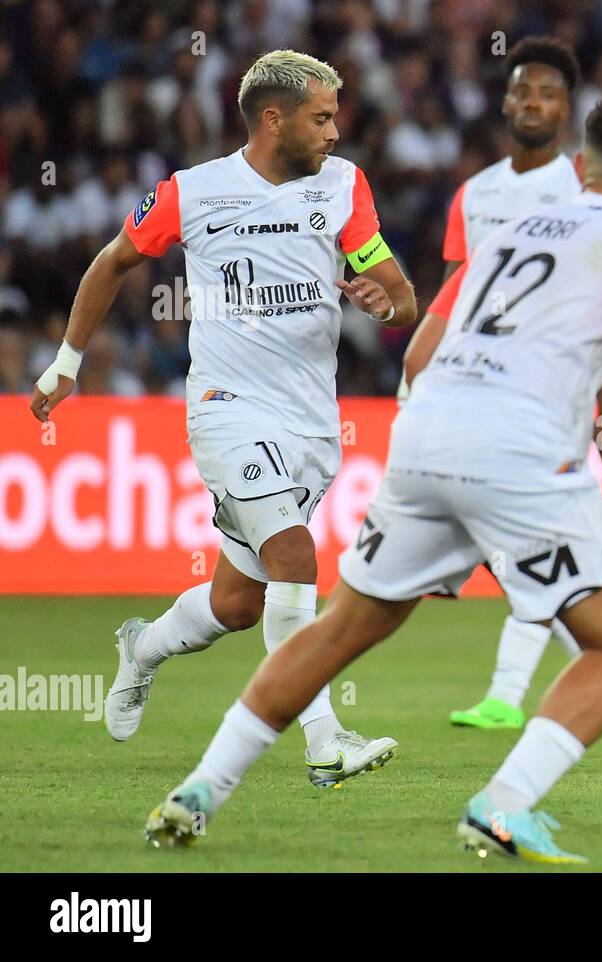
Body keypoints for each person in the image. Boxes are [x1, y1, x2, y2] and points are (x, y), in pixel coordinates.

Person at [142, 95, 602, 863]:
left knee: (343, 629)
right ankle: (503, 806)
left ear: (580, 168)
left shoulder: (506, 233)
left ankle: (200, 789)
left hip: (423, 438)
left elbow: (419, 351)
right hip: (517, 452)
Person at [31, 50, 416, 788]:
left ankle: (142, 647)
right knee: (297, 560)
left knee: (238, 605)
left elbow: (401, 294)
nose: (337, 132)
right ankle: (324, 742)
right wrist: (67, 363)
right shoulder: (192, 193)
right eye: (323, 117)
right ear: (274, 120)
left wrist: (384, 303)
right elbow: (111, 262)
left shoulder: (343, 188)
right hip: (226, 411)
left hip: (310, 424)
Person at [402, 37, 602, 733]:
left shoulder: (585, 188)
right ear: (506, 99)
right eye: (524, 92)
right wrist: (422, 378)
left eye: (549, 94)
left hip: (559, 393)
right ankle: (597, 665)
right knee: (534, 549)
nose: (534, 104)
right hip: (481, 397)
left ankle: (524, 690)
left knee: (533, 547)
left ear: (566, 108)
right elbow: (456, 302)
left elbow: (600, 304)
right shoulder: (476, 194)